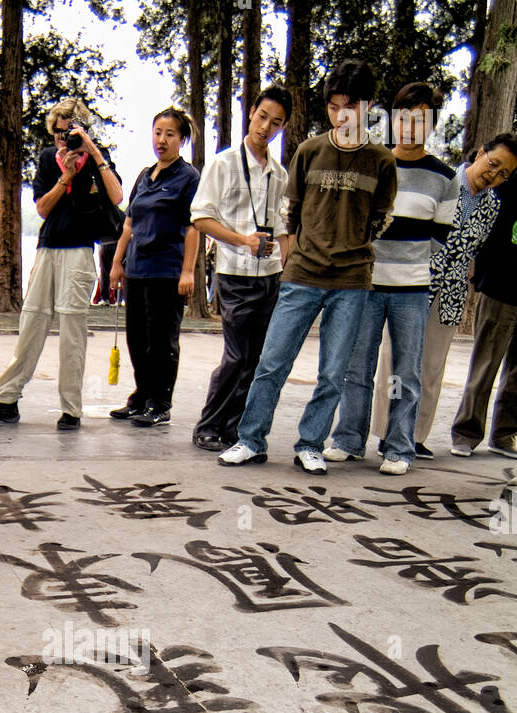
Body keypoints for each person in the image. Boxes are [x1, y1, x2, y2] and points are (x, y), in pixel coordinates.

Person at [219, 60, 396, 473]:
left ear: (367, 106)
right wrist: (298, 254)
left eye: (349, 106)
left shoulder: (380, 160)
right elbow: (290, 211)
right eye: (333, 107)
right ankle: (251, 439)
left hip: (352, 280)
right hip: (302, 274)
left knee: (333, 372)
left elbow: (381, 217)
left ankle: (310, 443)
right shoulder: (310, 151)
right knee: (271, 362)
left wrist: (352, 245)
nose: (340, 115)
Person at [324, 83, 456, 475]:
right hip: (366, 283)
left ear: (431, 124)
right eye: (403, 117)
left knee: (405, 371)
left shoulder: (444, 177)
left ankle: (398, 446)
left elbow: (440, 238)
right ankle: (348, 439)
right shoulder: (374, 163)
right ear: (393, 119)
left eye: (420, 118)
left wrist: (408, 262)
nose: (410, 126)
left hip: (412, 290)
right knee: (356, 364)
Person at [0, 97, 122, 431]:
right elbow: (42, 208)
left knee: (73, 333)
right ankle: (7, 399)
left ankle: (72, 409)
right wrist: (65, 176)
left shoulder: (100, 157)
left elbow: (116, 197)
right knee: (32, 323)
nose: (61, 139)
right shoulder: (46, 159)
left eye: (68, 133)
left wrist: (93, 153)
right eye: (56, 133)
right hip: (49, 246)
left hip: (80, 251)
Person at [373, 132, 517, 458]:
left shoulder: (493, 205)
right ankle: (386, 433)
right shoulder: (442, 180)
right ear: (480, 153)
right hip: (413, 281)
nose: (494, 176)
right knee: (396, 361)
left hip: (451, 292)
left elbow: (478, 250)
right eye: (493, 164)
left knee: (432, 367)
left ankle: (416, 435)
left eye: (503, 174)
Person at [189, 86, 291, 452]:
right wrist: (242, 240)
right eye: (262, 117)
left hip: (270, 276)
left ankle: (235, 429)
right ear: (251, 113)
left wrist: (286, 266)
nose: (266, 127)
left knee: (258, 358)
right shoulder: (223, 162)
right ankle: (209, 425)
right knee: (236, 354)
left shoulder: (279, 173)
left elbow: (282, 230)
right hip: (234, 274)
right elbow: (201, 218)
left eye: (276, 123)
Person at [108, 106, 200, 426]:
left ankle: (159, 403)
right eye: (158, 133)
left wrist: (188, 271)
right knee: (137, 337)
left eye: (170, 134)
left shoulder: (188, 178)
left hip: (167, 270)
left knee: (162, 341)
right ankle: (141, 396)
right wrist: (117, 263)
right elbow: (129, 224)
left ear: (182, 139)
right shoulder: (145, 176)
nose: (162, 140)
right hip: (137, 269)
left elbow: (193, 227)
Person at [450, 161, 517, 459]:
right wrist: (483, 275)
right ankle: (466, 432)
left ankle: (504, 434)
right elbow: (486, 228)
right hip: (501, 286)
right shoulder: (509, 179)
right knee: (485, 364)